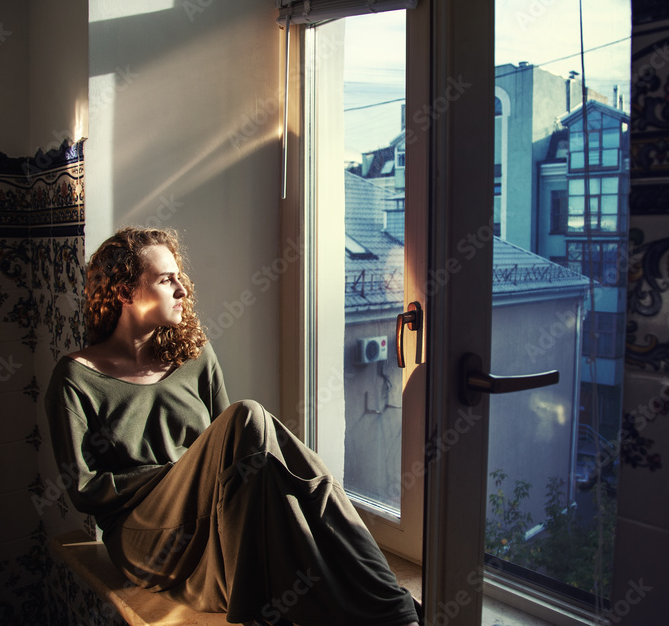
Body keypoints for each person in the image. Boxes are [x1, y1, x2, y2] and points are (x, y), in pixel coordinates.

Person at [45, 227, 420, 626]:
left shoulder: (194, 355)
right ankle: (390, 611)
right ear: (124, 292)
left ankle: (394, 611)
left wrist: (204, 476)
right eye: (166, 280)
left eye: (179, 278)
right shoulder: (76, 378)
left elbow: (236, 458)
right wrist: (183, 476)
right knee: (248, 416)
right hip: (144, 537)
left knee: (284, 477)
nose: (182, 291)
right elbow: (85, 489)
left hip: (206, 521)